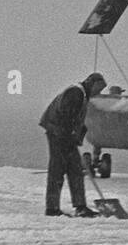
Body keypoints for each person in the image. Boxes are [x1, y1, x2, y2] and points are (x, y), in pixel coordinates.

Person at [39, 72, 106, 217]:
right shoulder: (76, 93)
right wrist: (69, 137)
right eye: (98, 89)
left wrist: (75, 137)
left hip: (64, 135)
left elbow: (75, 120)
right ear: (91, 83)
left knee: (75, 169)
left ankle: (80, 206)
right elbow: (66, 116)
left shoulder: (82, 94)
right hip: (58, 134)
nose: (98, 93)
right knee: (57, 171)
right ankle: (52, 208)